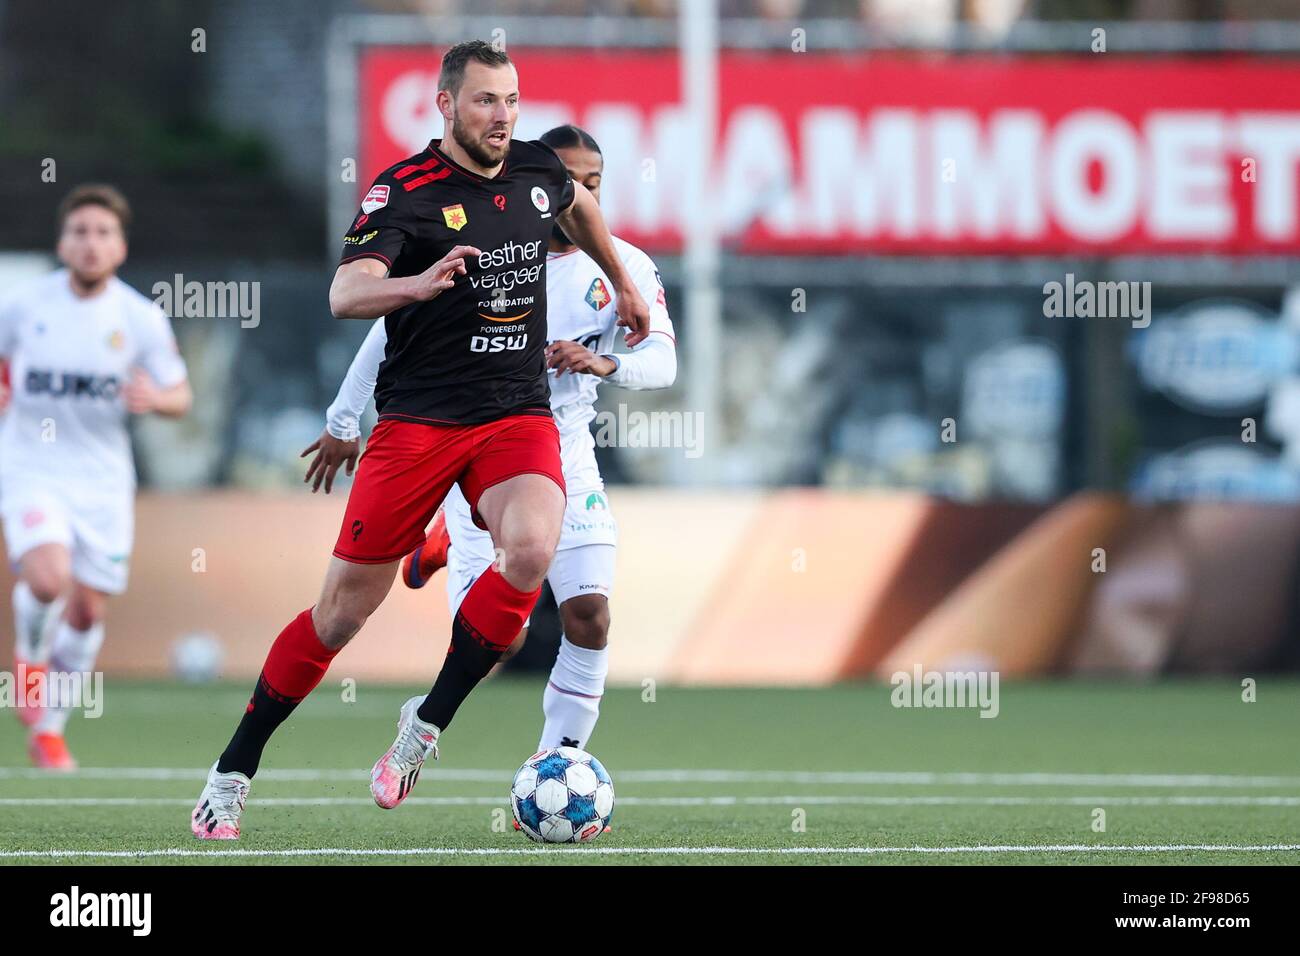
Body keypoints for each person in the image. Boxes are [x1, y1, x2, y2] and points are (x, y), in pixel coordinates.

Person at [191, 41, 649, 840]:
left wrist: (628, 282)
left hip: (515, 415)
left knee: (534, 551)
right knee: (337, 617)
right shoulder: (403, 192)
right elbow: (345, 294)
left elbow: (575, 203)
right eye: (485, 101)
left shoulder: (537, 169)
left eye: (510, 99)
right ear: (445, 105)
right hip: (420, 424)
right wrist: (417, 284)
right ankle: (233, 771)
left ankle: (423, 726)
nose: (502, 116)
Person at [303, 124, 676, 758]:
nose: (579, 195)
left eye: (593, 185)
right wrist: (344, 419)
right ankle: (452, 537)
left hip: (565, 447)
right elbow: (386, 335)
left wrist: (604, 365)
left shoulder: (625, 265)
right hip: (480, 445)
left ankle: (560, 762)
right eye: (569, 182)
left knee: (590, 614)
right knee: (499, 645)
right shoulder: (490, 242)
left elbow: (664, 362)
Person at [0, 184, 191, 770]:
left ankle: (51, 731)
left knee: (87, 613)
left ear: (121, 247)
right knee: (48, 578)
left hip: (103, 482)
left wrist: (155, 397)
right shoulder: (25, 306)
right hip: (33, 466)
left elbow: (181, 395)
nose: (90, 243)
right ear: (62, 242)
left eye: (102, 233)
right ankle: (29, 658)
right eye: (80, 232)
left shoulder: (139, 318)